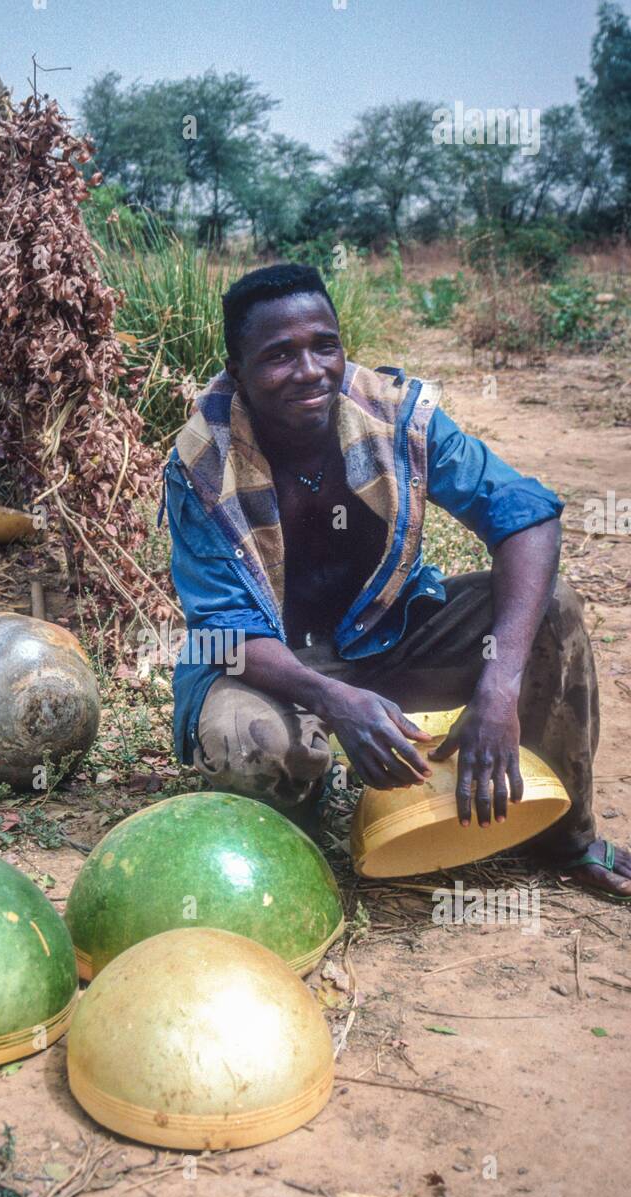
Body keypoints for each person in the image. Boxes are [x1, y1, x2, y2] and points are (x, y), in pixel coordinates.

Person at [161, 263, 630, 902]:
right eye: (278, 355)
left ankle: (561, 838)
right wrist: (332, 700)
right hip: (272, 670)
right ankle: (287, 869)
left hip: (392, 637)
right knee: (251, 743)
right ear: (237, 371)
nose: (309, 370)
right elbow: (227, 634)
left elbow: (524, 512)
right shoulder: (199, 465)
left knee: (550, 605)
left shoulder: (396, 417)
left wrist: (500, 686)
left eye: (324, 344)